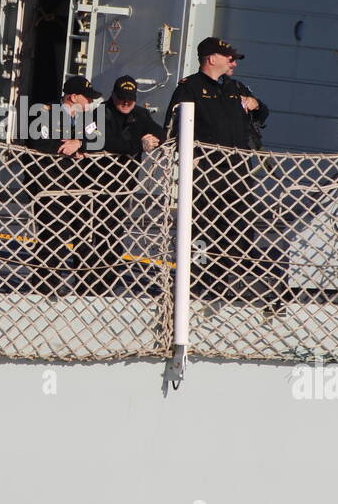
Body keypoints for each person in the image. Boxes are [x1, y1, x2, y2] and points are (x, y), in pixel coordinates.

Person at [164, 37, 279, 309]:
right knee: (204, 227)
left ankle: (233, 280)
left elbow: (263, 115)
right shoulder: (189, 88)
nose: (233, 62)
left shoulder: (235, 87)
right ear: (210, 58)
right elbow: (171, 127)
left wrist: (256, 105)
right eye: (228, 57)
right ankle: (201, 283)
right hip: (207, 172)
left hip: (238, 171)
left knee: (238, 227)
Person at [20, 74, 105, 294]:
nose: (90, 103)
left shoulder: (88, 119)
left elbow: (101, 140)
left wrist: (80, 143)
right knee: (53, 242)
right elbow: (36, 141)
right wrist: (66, 148)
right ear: (73, 97)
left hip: (80, 189)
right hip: (50, 187)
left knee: (85, 241)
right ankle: (45, 290)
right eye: (86, 99)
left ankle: (87, 292)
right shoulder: (45, 113)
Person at [96, 76, 164, 294]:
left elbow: (161, 133)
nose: (126, 103)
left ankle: (107, 283)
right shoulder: (98, 113)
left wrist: (154, 139)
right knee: (91, 234)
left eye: (130, 99)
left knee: (114, 233)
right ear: (113, 95)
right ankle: (89, 281)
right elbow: (102, 141)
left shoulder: (140, 115)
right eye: (122, 98)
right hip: (95, 182)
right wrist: (137, 145)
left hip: (122, 184)